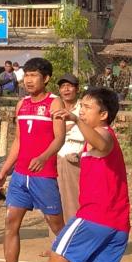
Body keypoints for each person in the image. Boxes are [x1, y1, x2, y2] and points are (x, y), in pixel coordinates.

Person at [33, 86, 128, 262]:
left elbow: (102, 143)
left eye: (87, 107)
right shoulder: (94, 137)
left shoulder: (104, 134)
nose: (81, 110)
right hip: (118, 224)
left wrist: (76, 120)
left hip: (95, 218)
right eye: (81, 106)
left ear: (104, 114)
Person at [0, 56, 66, 262]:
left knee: (58, 228)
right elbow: (18, 141)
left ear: (46, 78)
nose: (29, 80)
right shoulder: (21, 104)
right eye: (27, 76)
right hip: (20, 176)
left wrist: (43, 157)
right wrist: (4, 171)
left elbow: (60, 138)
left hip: (44, 176)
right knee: (10, 224)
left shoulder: (54, 103)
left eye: (34, 76)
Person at [55, 74, 85, 217]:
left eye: (69, 86)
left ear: (77, 89)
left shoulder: (84, 108)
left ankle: (74, 228)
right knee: (56, 202)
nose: (66, 89)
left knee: (74, 199)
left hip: (76, 156)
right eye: (63, 86)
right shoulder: (54, 108)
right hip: (57, 155)